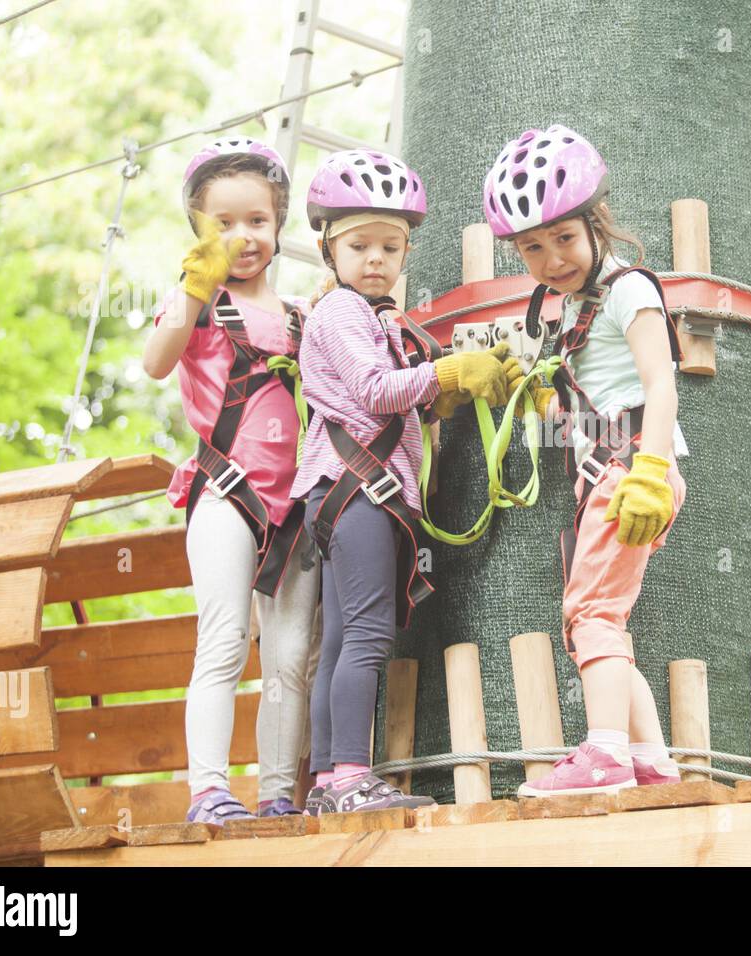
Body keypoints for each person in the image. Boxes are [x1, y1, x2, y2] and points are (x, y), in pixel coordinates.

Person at [294, 148, 520, 813]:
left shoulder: (375, 320)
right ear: (327, 248)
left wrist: (438, 397)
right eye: (359, 244)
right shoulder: (340, 312)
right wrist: (449, 374)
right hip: (357, 490)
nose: (375, 258)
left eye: (390, 246)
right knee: (366, 635)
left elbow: (386, 395)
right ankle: (350, 776)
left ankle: (329, 785)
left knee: (340, 639)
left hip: (345, 492)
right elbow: (372, 390)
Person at [483, 124, 688, 796]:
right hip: (611, 470)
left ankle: (604, 755)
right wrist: (541, 394)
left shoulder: (629, 289)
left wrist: (652, 473)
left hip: (634, 469)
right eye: (532, 248)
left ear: (598, 221)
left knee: (591, 614)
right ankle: (651, 758)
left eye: (565, 238)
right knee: (603, 614)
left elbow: (661, 382)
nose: (551, 259)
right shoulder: (567, 311)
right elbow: (590, 397)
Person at [143, 139, 318, 823]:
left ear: (278, 226)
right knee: (222, 641)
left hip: (295, 503)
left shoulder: (302, 315)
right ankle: (208, 790)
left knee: (290, 657)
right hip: (225, 491)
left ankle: (277, 793)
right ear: (198, 228)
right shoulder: (196, 301)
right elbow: (158, 361)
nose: (242, 237)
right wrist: (192, 286)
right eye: (223, 223)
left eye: (257, 221)